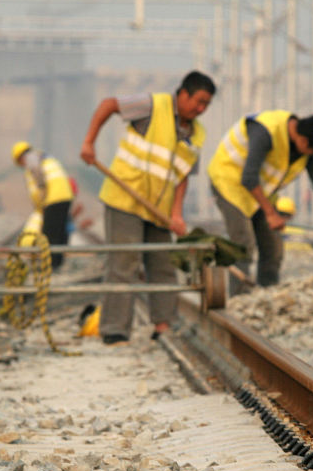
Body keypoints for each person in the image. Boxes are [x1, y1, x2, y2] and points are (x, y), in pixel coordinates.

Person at [80, 70, 216, 344]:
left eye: (206, 105)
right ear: (183, 93)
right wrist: (89, 142)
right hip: (126, 199)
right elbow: (109, 104)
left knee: (163, 265)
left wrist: (176, 213)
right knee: (124, 264)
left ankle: (164, 325)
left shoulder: (197, 134)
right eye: (198, 101)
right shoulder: (152, 106)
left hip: (160, 210)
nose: (200, 109)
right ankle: (115, 329)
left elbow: (182, 176)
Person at [207, 111, 313, 288]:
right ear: (305, 141)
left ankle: (268, 295)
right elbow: (249, 178)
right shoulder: (265, 132)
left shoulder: (307, 148)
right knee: (243, 243)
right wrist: (270, 213)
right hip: (229, 184)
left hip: (259, 194)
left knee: (273, 247)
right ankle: (239, 302)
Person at [12, 141, 75, 269]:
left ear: (20, 157)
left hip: (53, 198)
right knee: (60, 231)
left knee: (49, 233)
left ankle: (50, 266)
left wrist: (41, 199)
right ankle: (58, 263)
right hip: (66, 195)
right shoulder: (44, 157)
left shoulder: (31, 159)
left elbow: (37, 180)